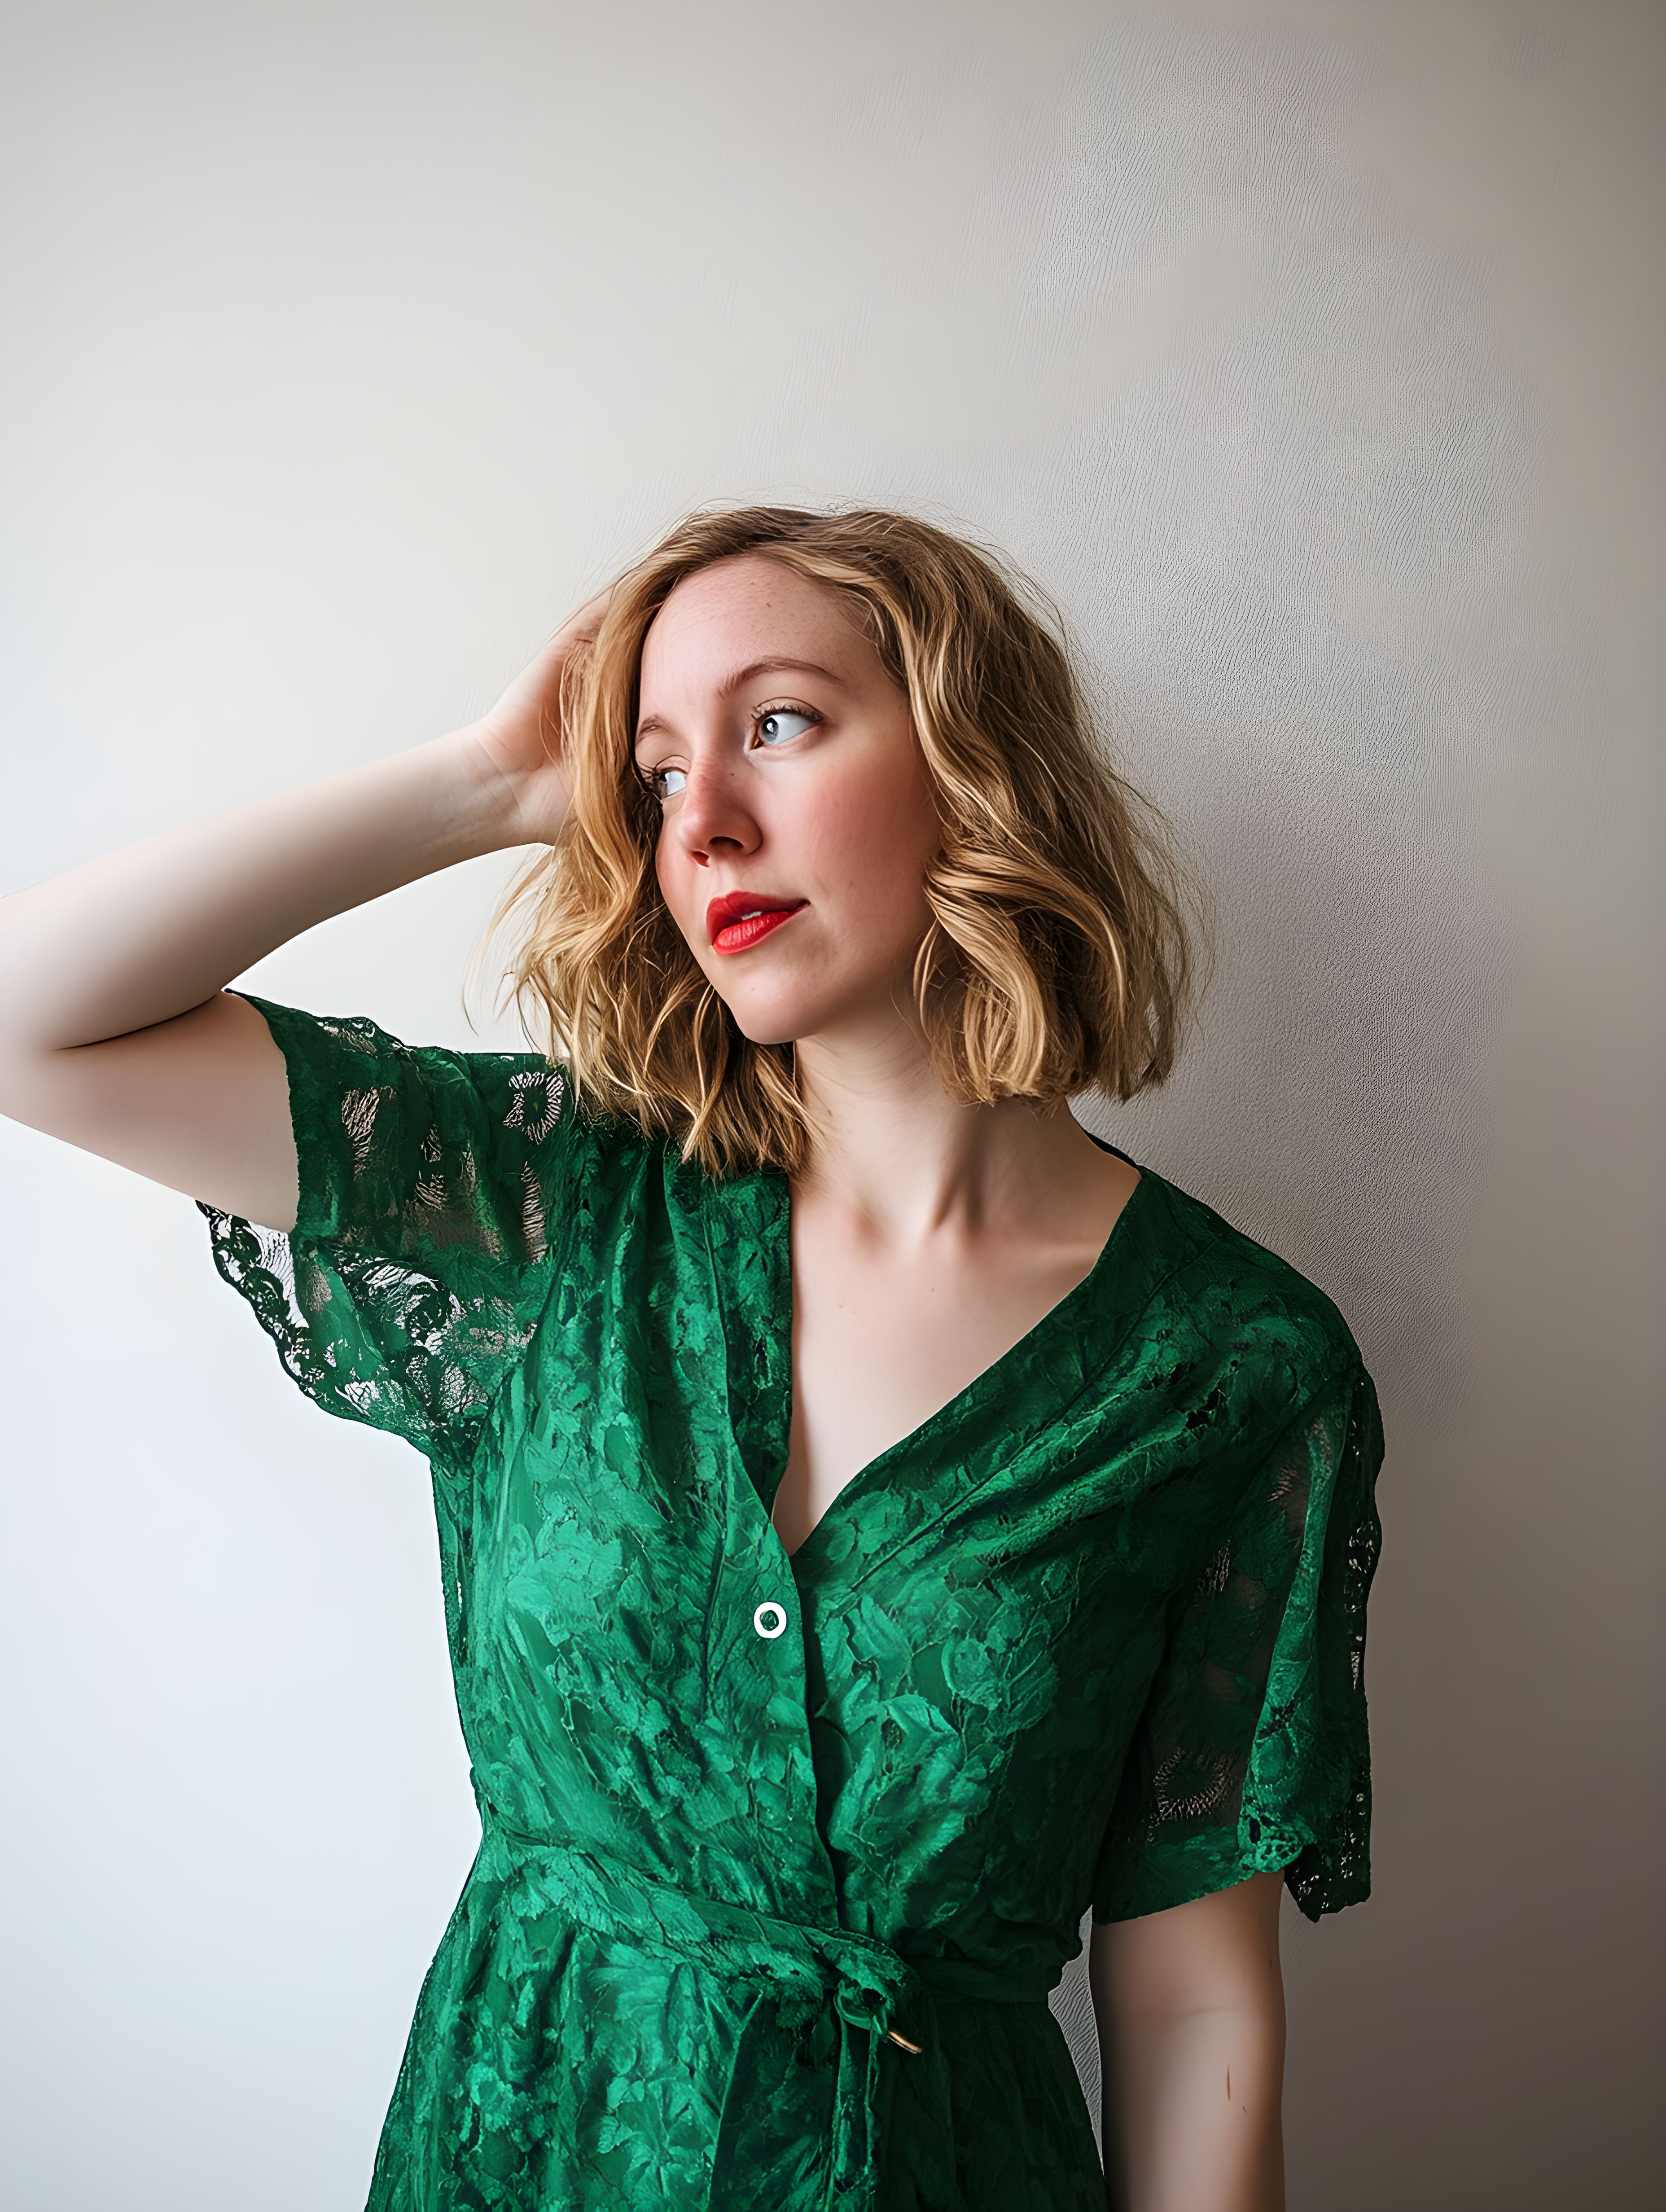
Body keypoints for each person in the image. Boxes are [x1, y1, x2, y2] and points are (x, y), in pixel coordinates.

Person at [0, 504, 1383, 2212]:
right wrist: (487, 781)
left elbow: (1187, 2003)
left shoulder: (1226, 1368)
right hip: (521, 2153)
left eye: (779, 725)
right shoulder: (542, 1208)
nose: (707, 823)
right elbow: (26, 1018)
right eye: (656, 775)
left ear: (976, 760)